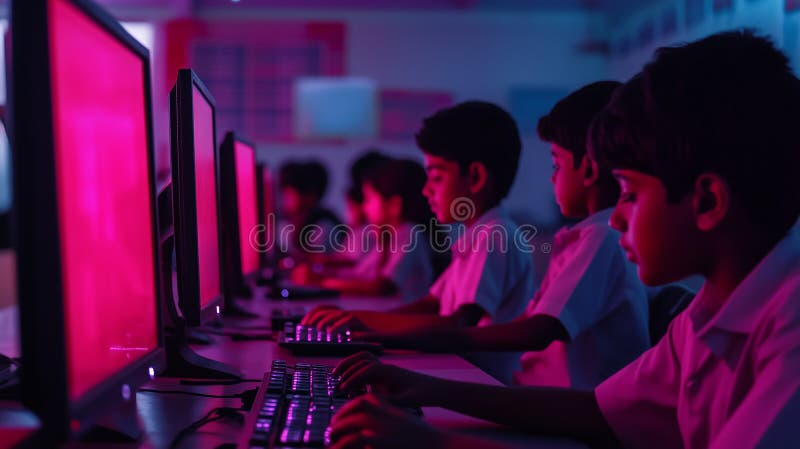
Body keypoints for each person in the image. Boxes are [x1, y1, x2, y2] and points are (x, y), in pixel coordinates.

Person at [327, 30, 800, 449]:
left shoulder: (788, 329)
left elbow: (535, 334)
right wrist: (428, 389)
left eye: (631, 193)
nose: (616, 219)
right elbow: (600, 410)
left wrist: (438, 440)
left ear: (707, 201)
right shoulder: (704, 317)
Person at [352, 81, 650, 390]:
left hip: (540, 405)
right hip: (514, 390)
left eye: (555, 164)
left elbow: (526, 330)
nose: (426, 190)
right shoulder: (486, 235)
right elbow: (433, 302)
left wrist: (383, 333)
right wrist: (365, 323)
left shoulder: (589, 238)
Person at [302, 101, 536, 336]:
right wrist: (360, 320)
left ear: (474, 177)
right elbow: (433, 303)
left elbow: (459, 323)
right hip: (461, 366)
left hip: (474, 372)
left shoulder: (496, 236)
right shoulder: (478, 235)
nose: (426, 191)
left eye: (436, 177)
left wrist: (370, 327)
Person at [294, 158, 434, 302]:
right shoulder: (389, 237)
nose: (364, 208)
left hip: (404, 319)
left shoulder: (410, 233)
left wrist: (321, 281)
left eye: (369, 199)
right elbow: (361, 275)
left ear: (394, 205)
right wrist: (321, 274)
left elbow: (383, 287)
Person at [277, 160, 342, 257]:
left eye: (289, 194)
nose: (284, 199)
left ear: (311, 195)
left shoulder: (324, 228)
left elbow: (315, 265)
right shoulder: (287, 224)